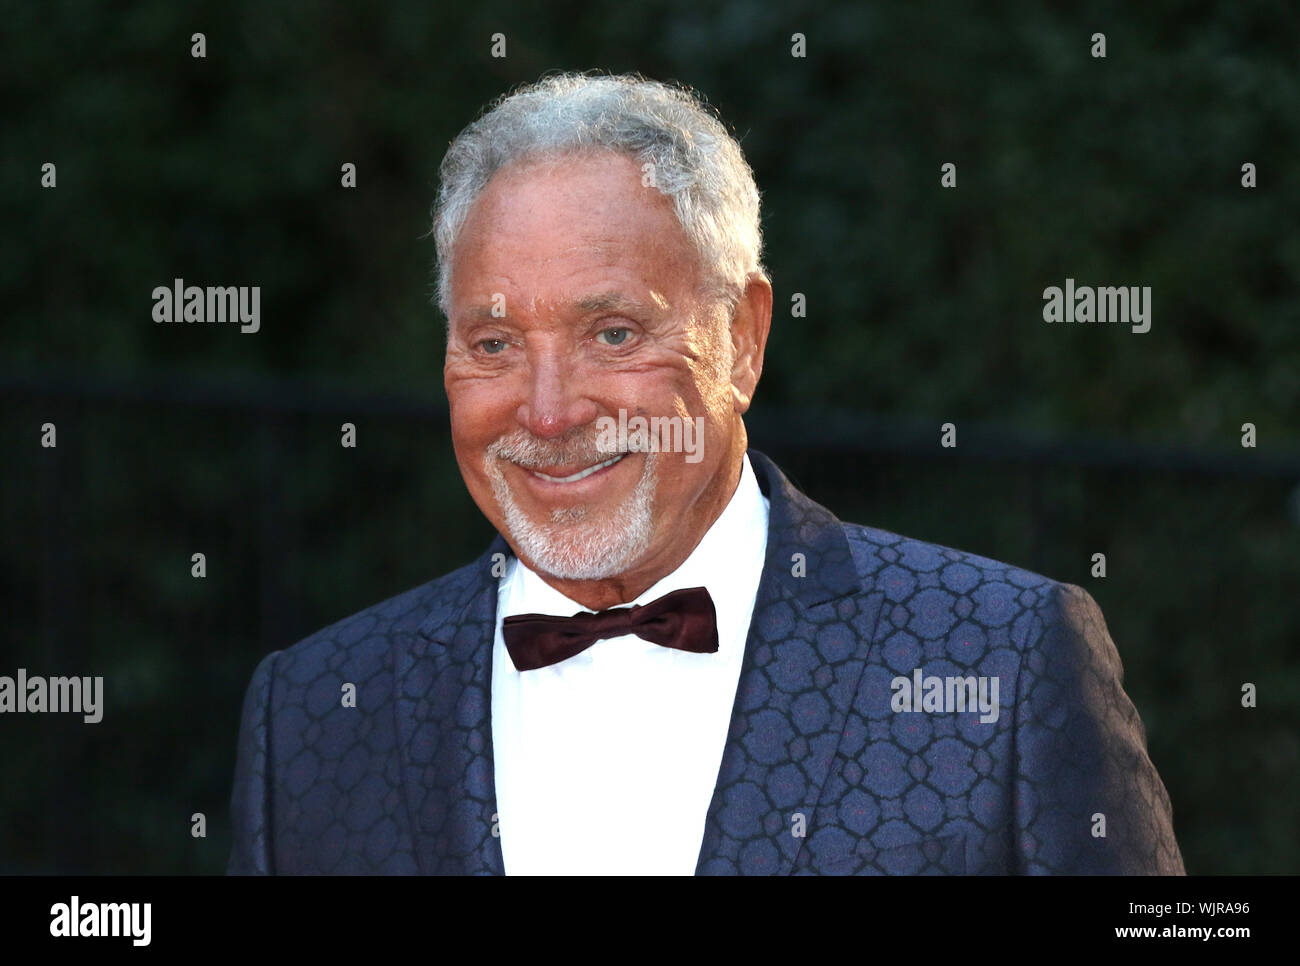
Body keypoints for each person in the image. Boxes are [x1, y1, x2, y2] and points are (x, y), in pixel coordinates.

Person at [227, 72, 1184, 875]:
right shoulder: (314, 712)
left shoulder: (1000, 661)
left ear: (742, 340)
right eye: (493, 341)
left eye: (613, 333)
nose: (549, 410)